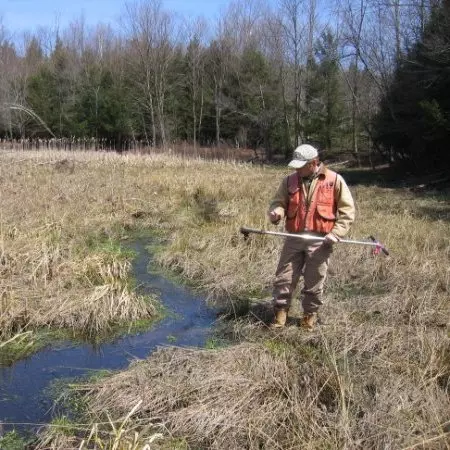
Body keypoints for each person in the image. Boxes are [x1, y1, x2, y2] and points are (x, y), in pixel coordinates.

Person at [268, 144, 355, 330]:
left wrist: (336, 233)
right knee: (284, 278)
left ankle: (308, 318)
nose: (297, 170)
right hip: (294, 237)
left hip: (321, 240)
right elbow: (279, 202)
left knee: (314, 281)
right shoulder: (289, 181)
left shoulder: (334, 180)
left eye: (301, 166)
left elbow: (348, 211)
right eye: (295, 166)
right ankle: (280, 315)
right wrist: (276, 212)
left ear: (314, 163)